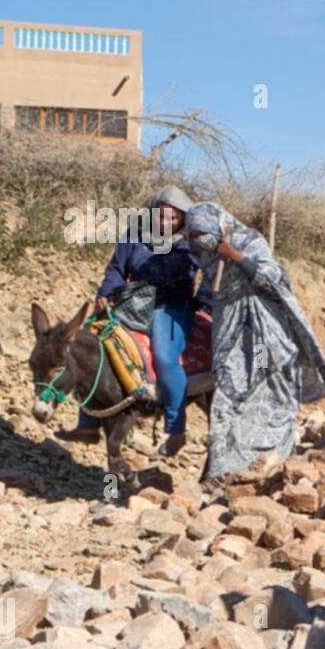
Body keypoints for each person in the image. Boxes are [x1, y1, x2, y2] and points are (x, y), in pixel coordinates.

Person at [55, 184, 207, 457]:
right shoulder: (135, 235)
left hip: (171, 306)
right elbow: (116, 268)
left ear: (182, 219)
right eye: (161, 216)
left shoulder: (191, 244)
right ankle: (88, 424)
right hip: (132, 301)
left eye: (172, 218)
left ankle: (176, 430)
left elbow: (212, 268)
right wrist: (105, 295)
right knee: (89, 341)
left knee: (164, 355)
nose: (165, 222)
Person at [184, 202, 325, 479]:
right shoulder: (206, 256)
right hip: (229, 334)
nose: (199, 241)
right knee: (229, 394)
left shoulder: (248, 241)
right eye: (193, 236)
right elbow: (207, 293)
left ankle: (272, 463)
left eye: (203, 233)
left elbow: (276, 279)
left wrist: (236, 257)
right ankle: (225, 471)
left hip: (264, 330)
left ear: (219, 226)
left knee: (268, 386)